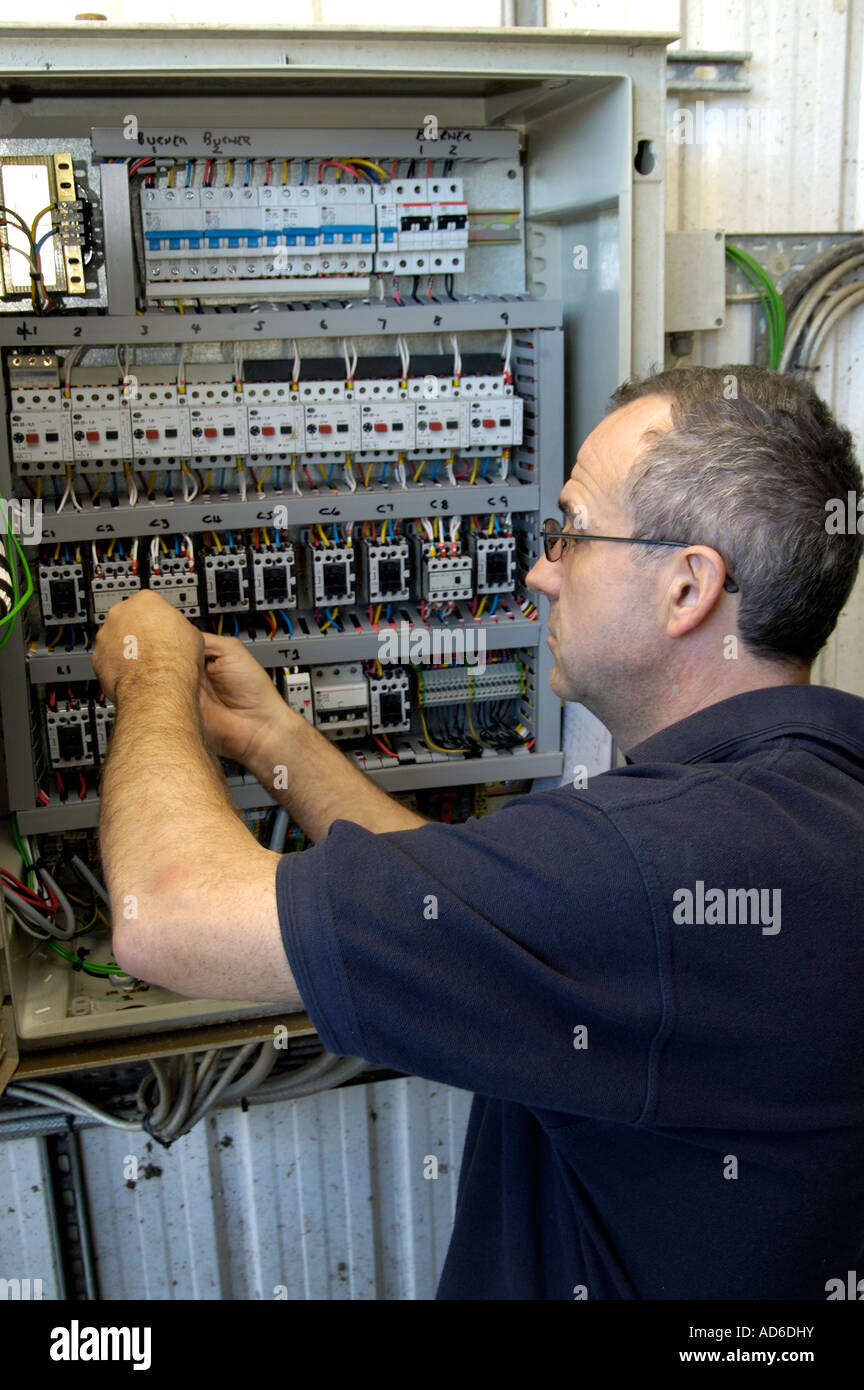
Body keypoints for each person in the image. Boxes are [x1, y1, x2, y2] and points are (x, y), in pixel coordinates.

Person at [93, 365, 864, 1300]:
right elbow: (476, 909)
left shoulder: (656, 865)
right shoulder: (802, 804)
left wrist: (149, 667)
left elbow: (165, 911)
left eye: (571, 532)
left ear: (687, 587)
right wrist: (271, 739)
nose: (540, 569)